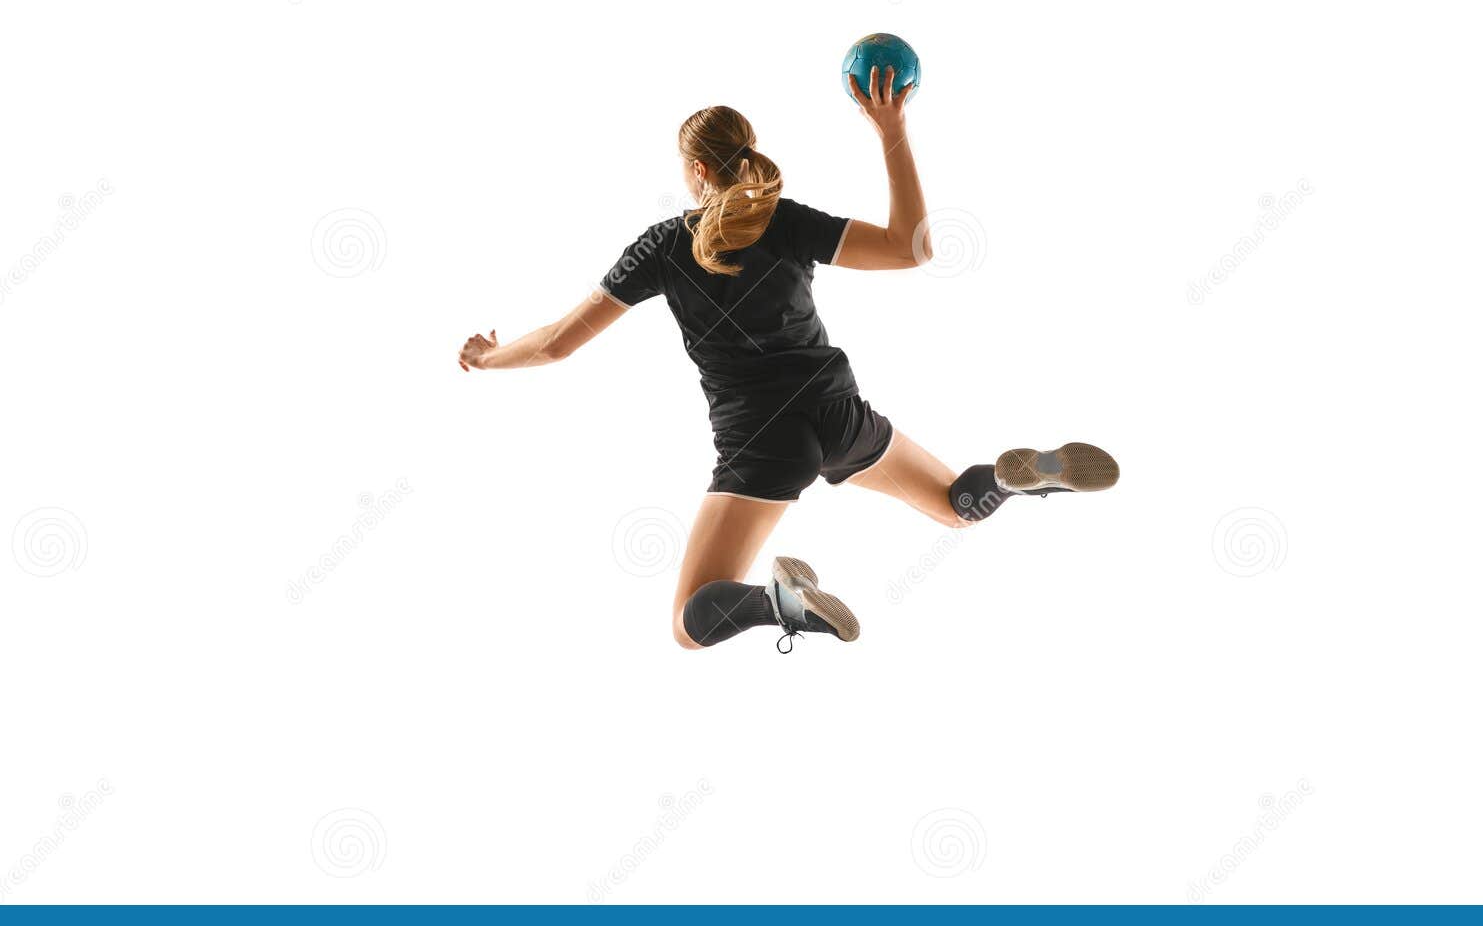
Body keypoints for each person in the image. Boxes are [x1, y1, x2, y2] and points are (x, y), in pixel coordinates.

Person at [458, 67, 1118, 653]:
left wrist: (488, 358)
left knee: (689, 621)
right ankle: (1009, 479)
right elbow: (910, 247)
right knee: (953, 505)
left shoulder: (662, 246)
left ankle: (777, 603)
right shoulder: (784, 220)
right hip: (838, 414)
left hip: (762, 440)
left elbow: (557, 342)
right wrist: (892, 130)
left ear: (697, 171)